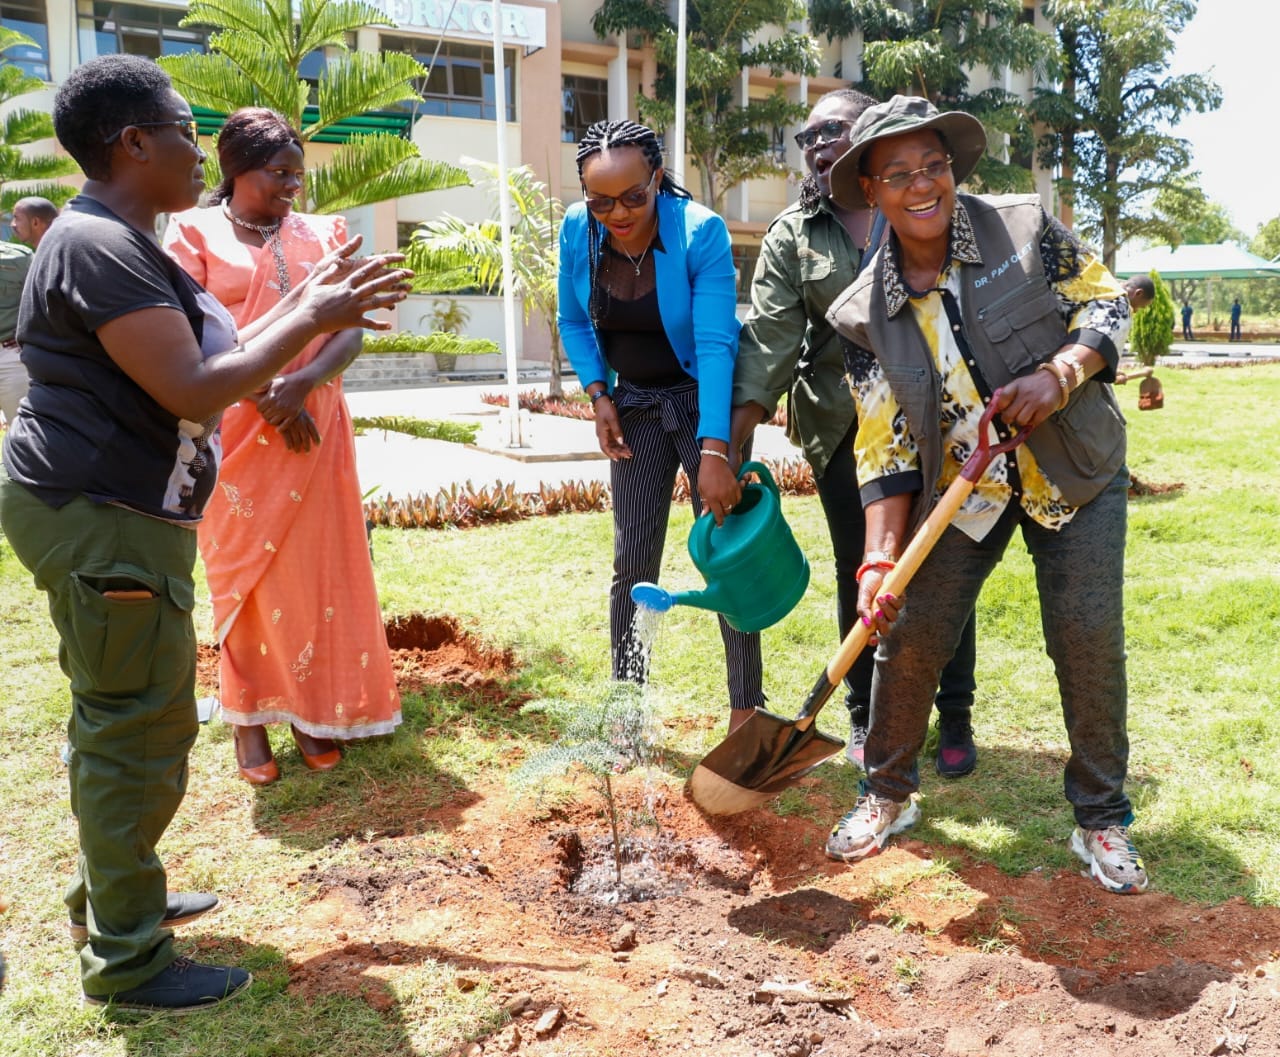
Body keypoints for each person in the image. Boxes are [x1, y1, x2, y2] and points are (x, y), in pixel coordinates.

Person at [0, 55, 410, 1012]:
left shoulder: (126, 239)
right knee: (133, 730)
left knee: (133, 716)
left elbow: (214, 355)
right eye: (186, 129)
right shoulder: (97, 246)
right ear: (133, 143)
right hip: (104, 516)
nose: (201, 147)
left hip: (120, 512)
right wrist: (309, 311)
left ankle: (116, 898)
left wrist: (312, 333)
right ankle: (129, 960)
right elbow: (191, 386)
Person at [821, 95, 1147, 895]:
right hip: (966, 486)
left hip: (1074, 467)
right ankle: (887, 791)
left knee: (1085, 634)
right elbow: (884, 448)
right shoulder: (864, 314)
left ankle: (1100, 818)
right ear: (871, 191)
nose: (921, 184)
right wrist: (878, 561)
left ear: (952, 167)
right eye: (898, 174)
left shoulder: (1023, 227)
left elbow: (1107, 301)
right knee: (915, 631)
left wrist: (1061, 373)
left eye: (933, 164)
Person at [731, 88, 981, 777]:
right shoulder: (794, 233)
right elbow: (774, 336)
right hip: (846, 423)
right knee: (865, 567)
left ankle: (953, 714)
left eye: (831, 130)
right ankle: (867, 715)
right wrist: (732, 436)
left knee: (951, 562)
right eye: (805, 137)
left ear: (869, 136)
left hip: (946, 416)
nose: (816, 145)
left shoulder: (928, 205)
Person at [164, 108, 402, 786]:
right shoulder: (193, 232)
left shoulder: (322, 233)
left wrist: (299, 385)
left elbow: (352, 327)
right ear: (238, 169)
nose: (294, 186)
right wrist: (265, 392)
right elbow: (189, 338)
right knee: (243, 577)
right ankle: (246, 720)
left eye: (299, 174)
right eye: (280, 173)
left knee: (310, 577)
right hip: (234, 425)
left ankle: (309, 712)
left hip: (315, 422)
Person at [558, 119, 764, 730]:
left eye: (632, 197)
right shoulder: (579, 230)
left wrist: (716, 450)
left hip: (704, 400)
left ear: (657, 178)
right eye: (600, 201)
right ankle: (629, 711)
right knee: (633, 562)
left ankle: (745, 710)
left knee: (728, 558)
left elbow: (717, 342)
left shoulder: (701, 232)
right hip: (635, 407)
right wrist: (598, 394)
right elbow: (573, 320)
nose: (616, 213)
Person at [0, 198, 60, 428]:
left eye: (17, 218)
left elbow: (45, 303)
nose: (13, 224)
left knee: (23, 430)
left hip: (11, 358)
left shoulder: (18, 258)